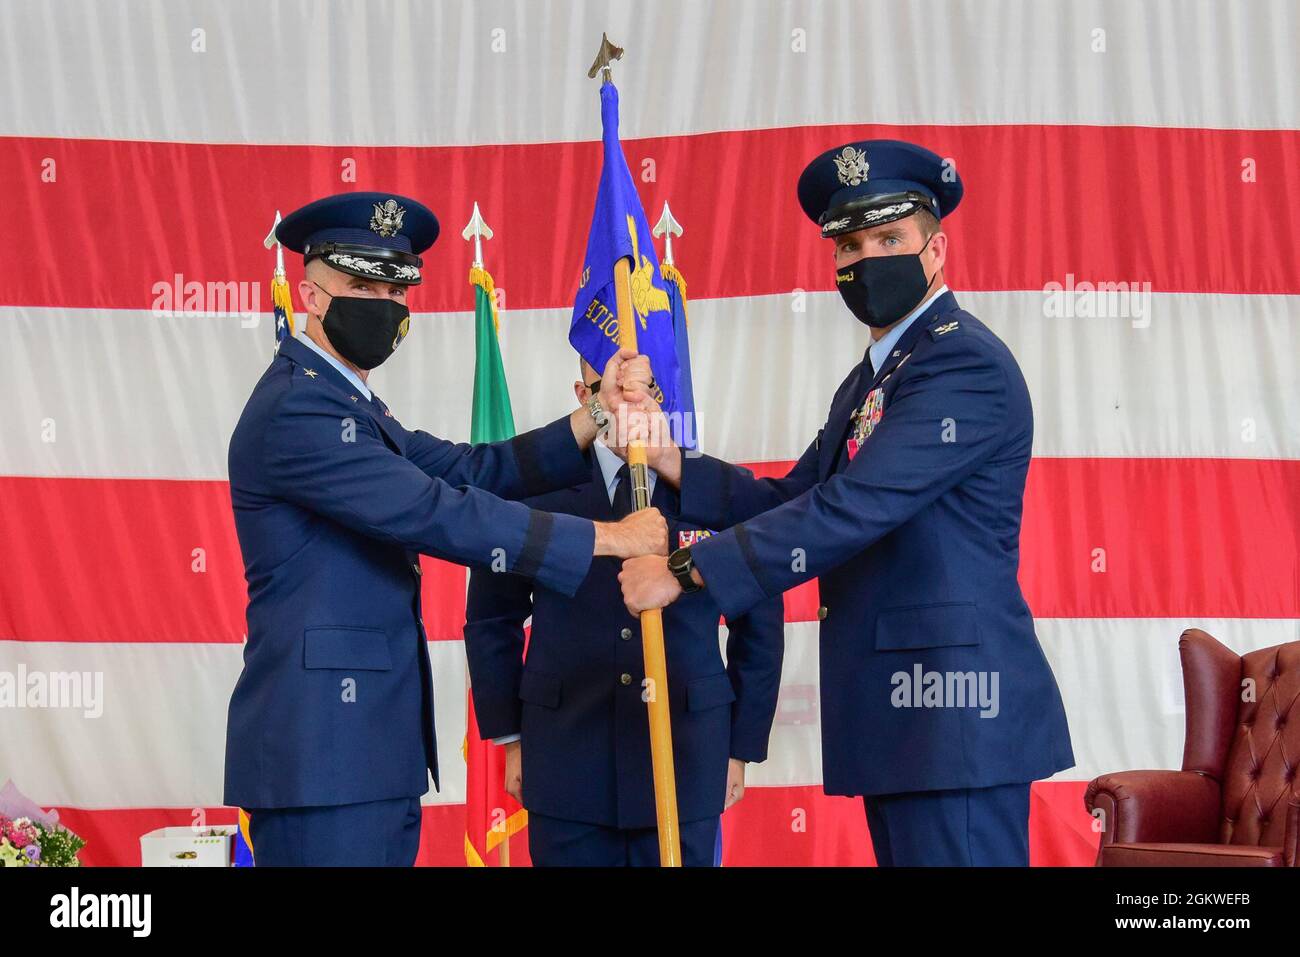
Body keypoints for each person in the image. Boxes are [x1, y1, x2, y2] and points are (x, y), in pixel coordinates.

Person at [617, 141, 1074, 866]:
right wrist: (670, 458)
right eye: (850, 246)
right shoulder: (877, 375)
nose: (867, 260)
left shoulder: (960, 362)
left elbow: (855, 507)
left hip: (953, 720)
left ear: (936, 250)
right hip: (904, 725)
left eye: (890, 238)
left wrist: (685, 567)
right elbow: (791, 499)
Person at [224, 191, 666, 866]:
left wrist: (597, 414)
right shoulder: (299, 409)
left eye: (396, 289)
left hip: (366, 752)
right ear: (311, 296)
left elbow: (470, 469)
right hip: (323, 756)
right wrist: (609, 540)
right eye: (362, 285)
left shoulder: (351, 402)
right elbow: (438, 512)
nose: (385, 304)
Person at [463, 359, 785, 866]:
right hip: (564, 759)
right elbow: (491, 620)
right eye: (612, 388)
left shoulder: (720, 494)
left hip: (688, 757)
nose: (633, 401)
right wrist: (510, 738)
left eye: (649, 388)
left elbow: (760, 625)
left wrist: (740, 746)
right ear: (583, 394)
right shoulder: (533, 491)